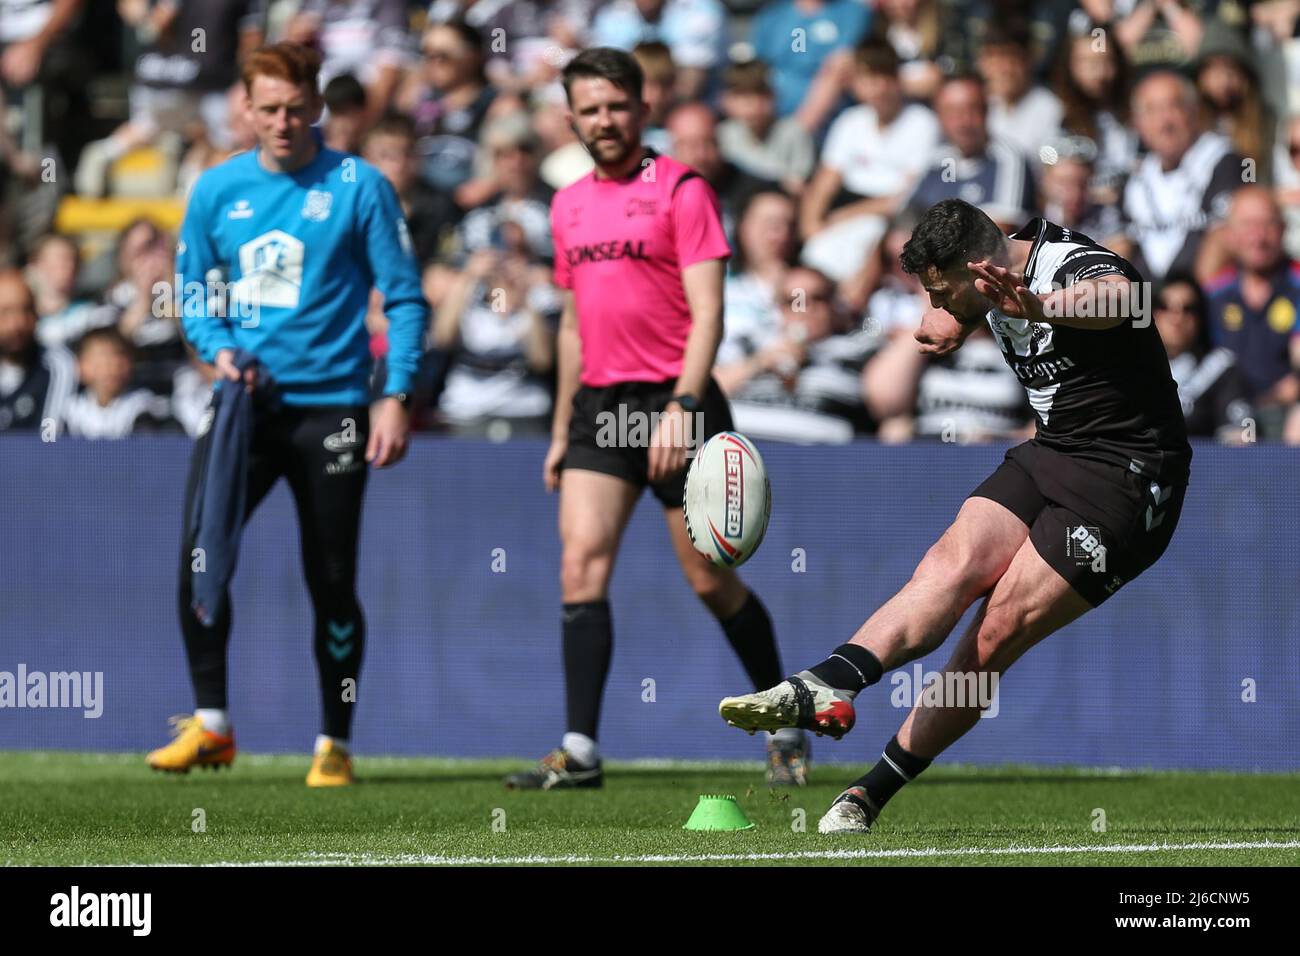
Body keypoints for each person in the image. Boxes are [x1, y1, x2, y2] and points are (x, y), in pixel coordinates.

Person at [719, 199, 1192, 833]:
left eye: (941, 291)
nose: (934, 303)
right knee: (948, 565)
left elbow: (1121, 297)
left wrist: (1040, 306)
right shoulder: (988, 275)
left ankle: (868, 794)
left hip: (1128, 479)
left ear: (976, 267)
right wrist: (959, 318)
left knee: (994, 633)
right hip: (1053, 450)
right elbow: (971, 300)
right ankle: (829, 682)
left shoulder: (1073, 266)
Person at [504, 47, 808, 791]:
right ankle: (579, 752)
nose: (604, 120)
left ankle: (786, 721)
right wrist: (559, 430)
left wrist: (683, 405)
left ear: (644, 109)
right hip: (599, 408)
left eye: (617, 105)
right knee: (580, 563)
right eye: (590, 109)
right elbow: (573, 324)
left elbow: (709, 312)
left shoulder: (682, 189)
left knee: (709, 580)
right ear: (571, 119)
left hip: (677, 400)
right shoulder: (567, 204)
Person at [145, 42, 426, 787]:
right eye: (268, 108)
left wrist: (395, 394)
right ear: (245, 107)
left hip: (334, 410)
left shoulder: (358, 186)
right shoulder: (216, 189)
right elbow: (195, 290)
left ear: (318, 107)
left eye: (296, 108)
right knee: (200, 556)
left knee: (331, 577)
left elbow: (404, 297)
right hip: (245, 407)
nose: (282, 121)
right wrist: (218, 348)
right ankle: (212, 725)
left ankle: (334, 742)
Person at [1152, 273, 1253, 440]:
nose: (1177, 318)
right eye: (1164, 306)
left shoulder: (1220, 367)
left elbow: (1242, 436)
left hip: (1199, 456)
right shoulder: (1130, 367)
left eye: (1188, 308)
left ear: (1201, 316)